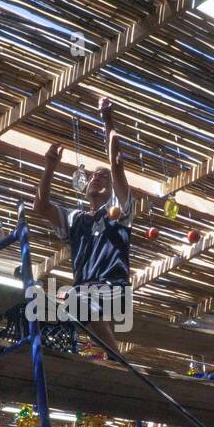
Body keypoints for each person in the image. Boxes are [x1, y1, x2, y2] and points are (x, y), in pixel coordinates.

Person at [31, 98, 133, 352]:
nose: (96, 178)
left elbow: (117, 163)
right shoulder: (76, 218)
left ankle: (116, 357)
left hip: (114, 289)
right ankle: (98, 355)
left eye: (104, 177)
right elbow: (41, 208)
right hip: (86, 292)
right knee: (41, 306)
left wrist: (107, 120)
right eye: (93, 176)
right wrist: (49, 168)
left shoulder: (119, 212)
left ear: (111, 189)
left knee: (76, 300)